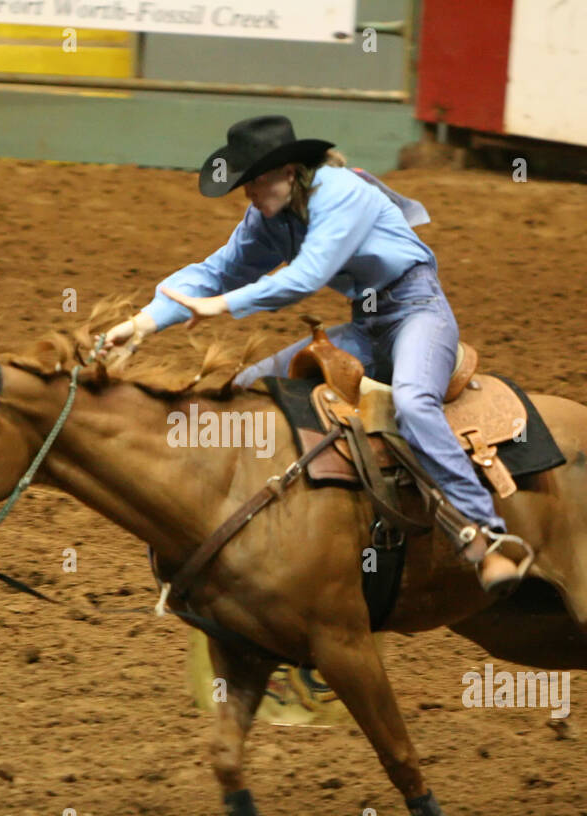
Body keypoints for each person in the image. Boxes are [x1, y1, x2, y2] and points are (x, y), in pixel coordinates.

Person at [104, 115, 525, 595]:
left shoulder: (340, 191)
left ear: (287, 171)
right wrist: (142, 323)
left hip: (418, 312)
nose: (248, 195)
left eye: (253, 181)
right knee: (248, 386)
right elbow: (216, 270)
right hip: (367, 326)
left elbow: (305, 276)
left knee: (412, 401)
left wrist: (220, 306)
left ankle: (488, 534)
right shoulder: (270, 218)